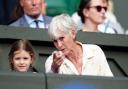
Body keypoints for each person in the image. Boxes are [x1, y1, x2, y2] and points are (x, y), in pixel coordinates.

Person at [45, 14, 113, 77]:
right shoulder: (51, 61)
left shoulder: (95, 51)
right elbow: (51, 84)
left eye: (61, 38)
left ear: (73, 33)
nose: (59, 45)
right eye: (55, 41)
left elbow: (110, 82)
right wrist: (54, 68)